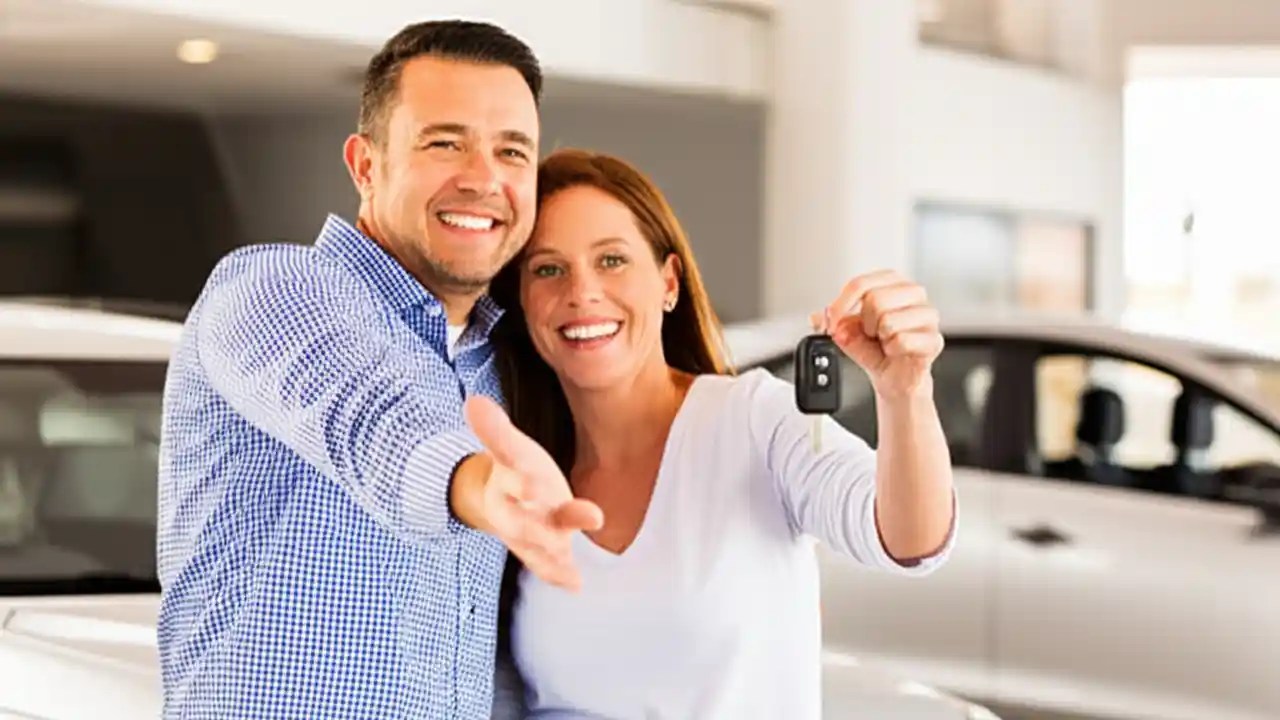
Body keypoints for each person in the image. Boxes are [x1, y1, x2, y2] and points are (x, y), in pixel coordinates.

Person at [156, 21, 601, 719]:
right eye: (444, 142)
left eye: (512, 151)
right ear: (366, 165)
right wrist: (478, 485)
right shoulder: (272, 288)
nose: (484, 178)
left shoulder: (503, 362)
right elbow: (370, 419)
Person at [470, 148, 958, 719]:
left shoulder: (754, 420)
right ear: (523, 302)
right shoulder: (523, 476)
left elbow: (908, 539)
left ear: (669, 282)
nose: (581, 292)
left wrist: (906, 394)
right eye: (548, 269)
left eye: (612, 261)